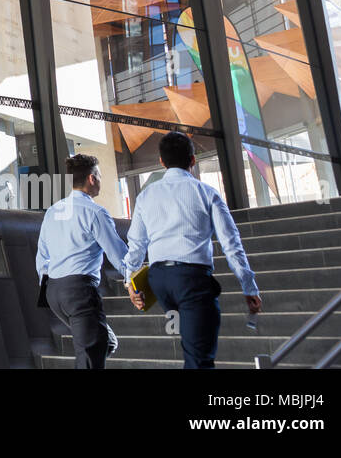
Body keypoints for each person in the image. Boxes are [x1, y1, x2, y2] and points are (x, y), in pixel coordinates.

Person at [123, 131, 263, 369]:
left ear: (161, 161)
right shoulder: (207, 193)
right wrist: (248, 286)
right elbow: (231, 244)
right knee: (200, 358)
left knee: (193, 348)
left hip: (160, 282)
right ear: (193, 160)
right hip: (191, 281)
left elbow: (136, 245)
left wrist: (130, 283)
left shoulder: (145, 196)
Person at [35, 153, 129, 368]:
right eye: (100, 176)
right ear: (92, 178)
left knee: (106, 342)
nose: (100, 181)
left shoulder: (52, 211)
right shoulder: (95, 212)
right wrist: (134, 282)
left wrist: (49, 285)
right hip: (79, 292)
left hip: (53, 292)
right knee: (88, 357)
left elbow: (42, 256)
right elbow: (118, 254)